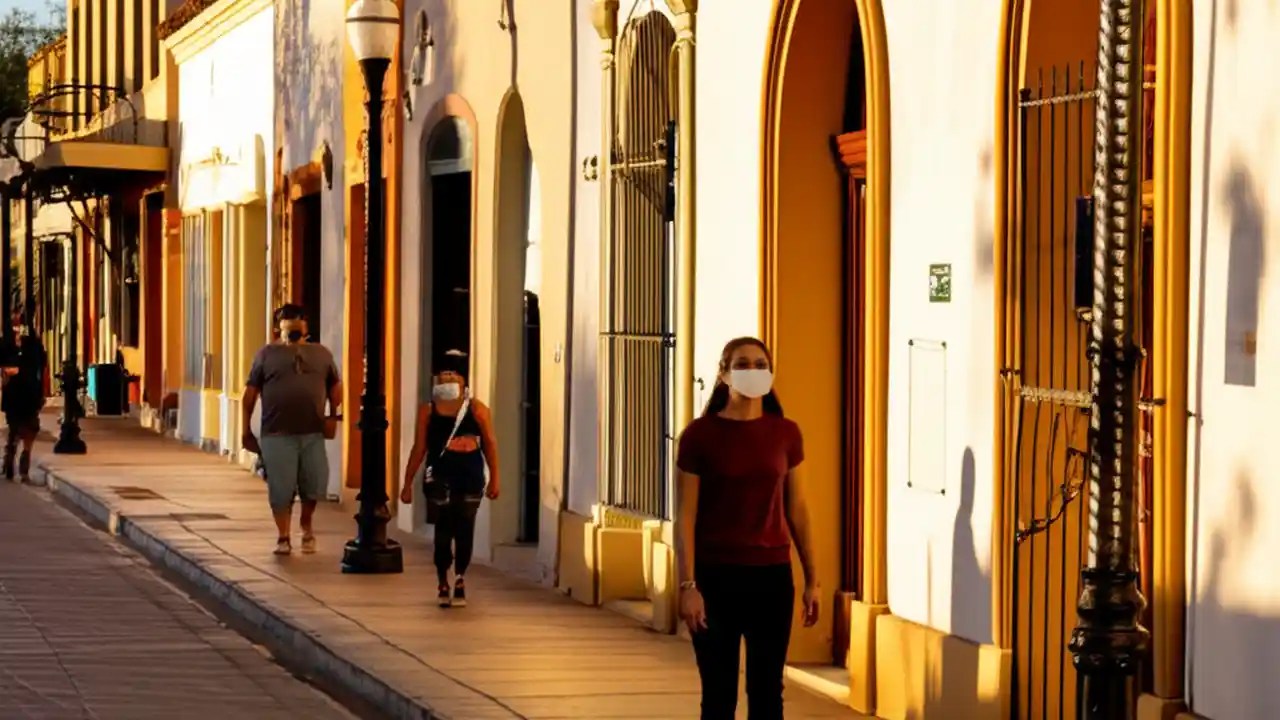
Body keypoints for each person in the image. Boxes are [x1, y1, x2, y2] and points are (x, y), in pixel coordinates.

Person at [675, 336, 819, 720]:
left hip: (771, 579)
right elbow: (685, 516)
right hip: (714, 578)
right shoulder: (699, 436)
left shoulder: (786, 434)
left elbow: (798, 510)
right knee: (719, 695)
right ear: (723, 374)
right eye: (742, 364)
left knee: (767, 693)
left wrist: (813, 579)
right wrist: (688, 586)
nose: (752, 371)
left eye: (760, 364)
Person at [400, 349, 500, 608]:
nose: (447, 377)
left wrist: (495, 478)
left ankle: (460, 577)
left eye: (453, 373)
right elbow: (419, 448)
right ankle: (442, 578)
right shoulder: (428, 411)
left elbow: (490, 444)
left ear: (463, 380)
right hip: (440, 472)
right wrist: (407, 482)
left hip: (470, 472)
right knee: (443, 527)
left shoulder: (478, 409)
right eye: (443, 373)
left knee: (465, 526)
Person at [241, 304, 342, 556]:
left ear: (306, 325)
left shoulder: (322, 354)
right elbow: (250, 394)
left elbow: (335, 386)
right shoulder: (265, 355)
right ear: (278, 326)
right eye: (287, 320)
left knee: (314, 483)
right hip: (276, 434)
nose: (293, 324)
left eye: (298, 320)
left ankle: (306, 524)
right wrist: (245, 430)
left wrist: (333, 411)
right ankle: (283, 535)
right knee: (280, 488)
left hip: (312, 432)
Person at [1, 324, 46, 482]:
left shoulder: (30, 350)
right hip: (20, 395)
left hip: (24, 394)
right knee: (21, 429)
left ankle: (15, 462)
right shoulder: (10, 348)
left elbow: (39, 369)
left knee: (26, 429)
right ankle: (15, 462)